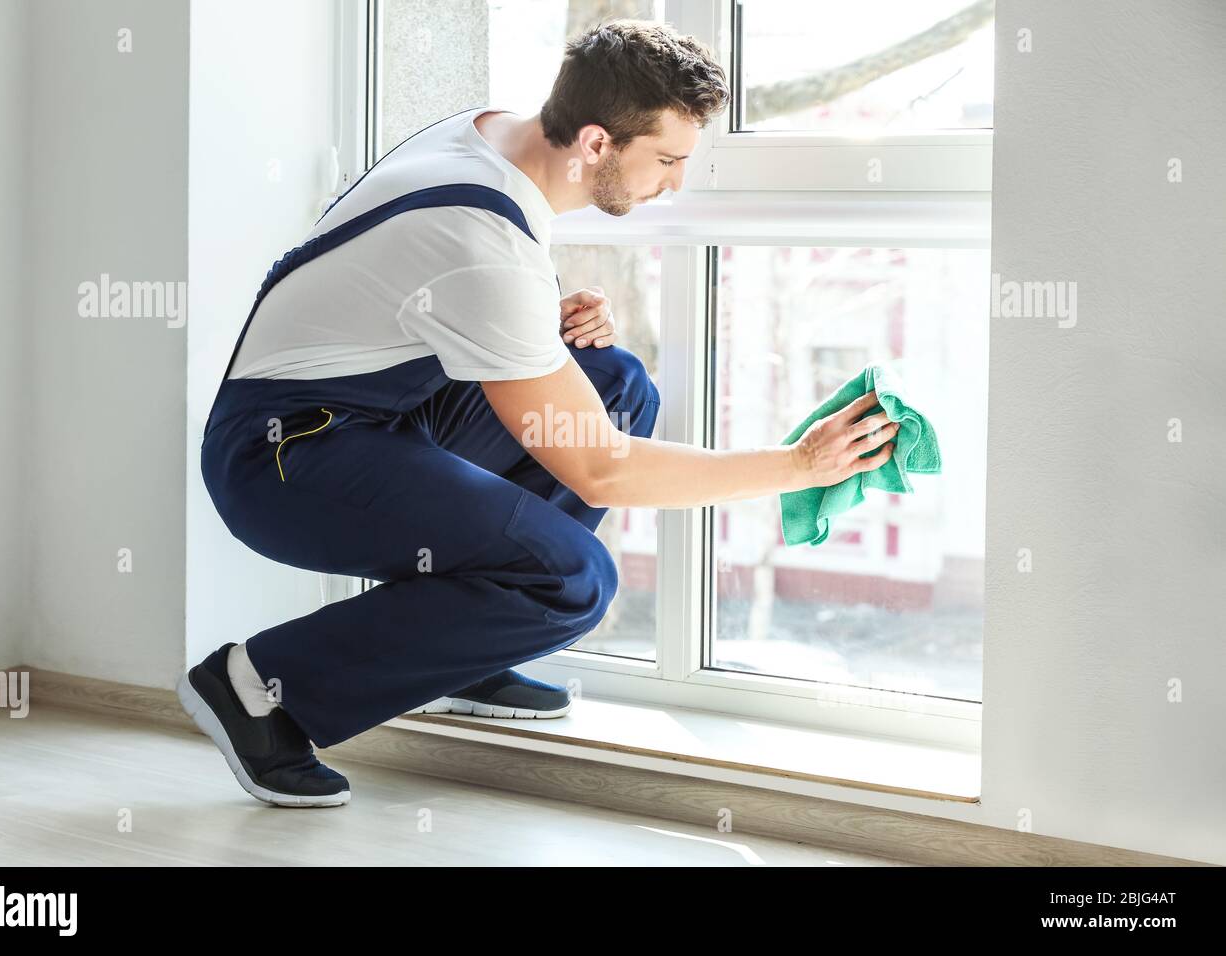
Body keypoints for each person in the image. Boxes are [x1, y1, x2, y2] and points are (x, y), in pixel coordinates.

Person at [178, 18, 898, 808]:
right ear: (594, 142)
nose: (677, 184)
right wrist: (797, 465)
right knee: (570, 581)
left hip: (372, 412)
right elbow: (600, 468)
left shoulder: (490, 135)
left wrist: (535, 328)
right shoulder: (484, 236)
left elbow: (418, 297)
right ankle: (254, 689)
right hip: (281, 458)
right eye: (666, 161)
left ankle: (463, 658)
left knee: (616, 382)